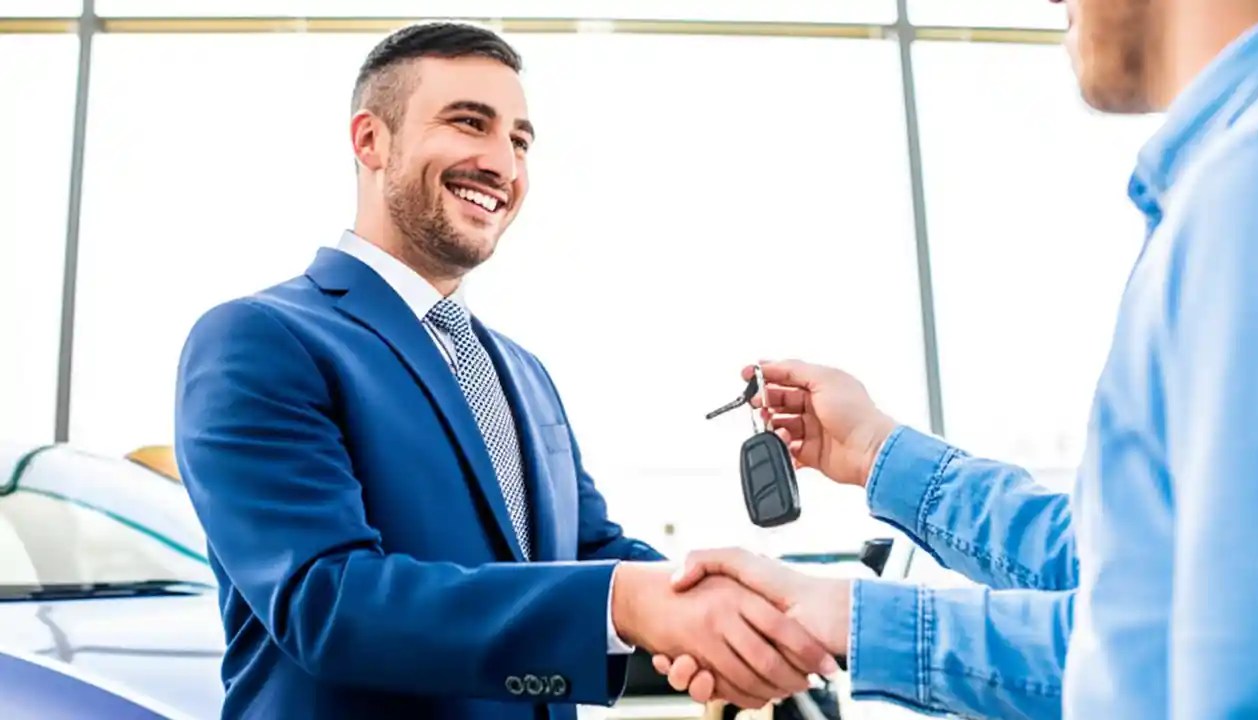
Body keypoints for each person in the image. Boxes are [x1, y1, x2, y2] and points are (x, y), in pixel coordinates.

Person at [173, 22, 834, 720]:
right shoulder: (259, 339)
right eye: (469, 123)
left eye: (519, 141)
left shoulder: (522, 371)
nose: (503, 165)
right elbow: (327, 601)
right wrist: (625, 602)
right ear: (371, 140)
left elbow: (586, 550)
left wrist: (728, 605)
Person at [653, 0, 1258, 717]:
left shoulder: (1253, 189)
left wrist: (853, 618)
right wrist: (874, 454)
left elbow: (1176, 669)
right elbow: (1128, 588)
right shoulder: (1224, 186)